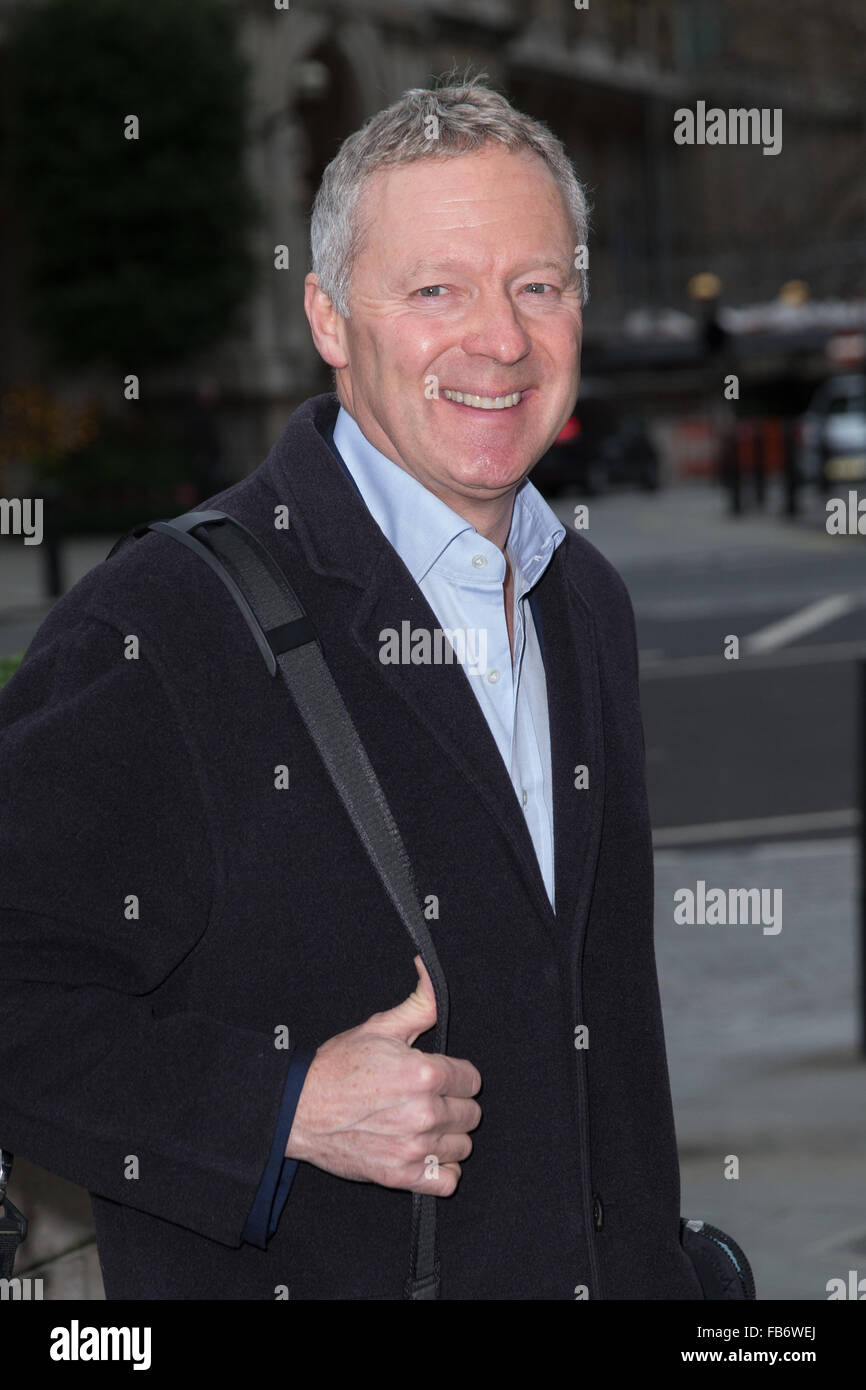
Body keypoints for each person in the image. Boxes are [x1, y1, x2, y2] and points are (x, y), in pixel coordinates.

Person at [0, 77, 709, 1300]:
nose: (499, 337)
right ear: (330, 319)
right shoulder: (163, 628)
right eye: (435, 288)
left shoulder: (581, 597)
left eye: (536, 285)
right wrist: (280, 1106)